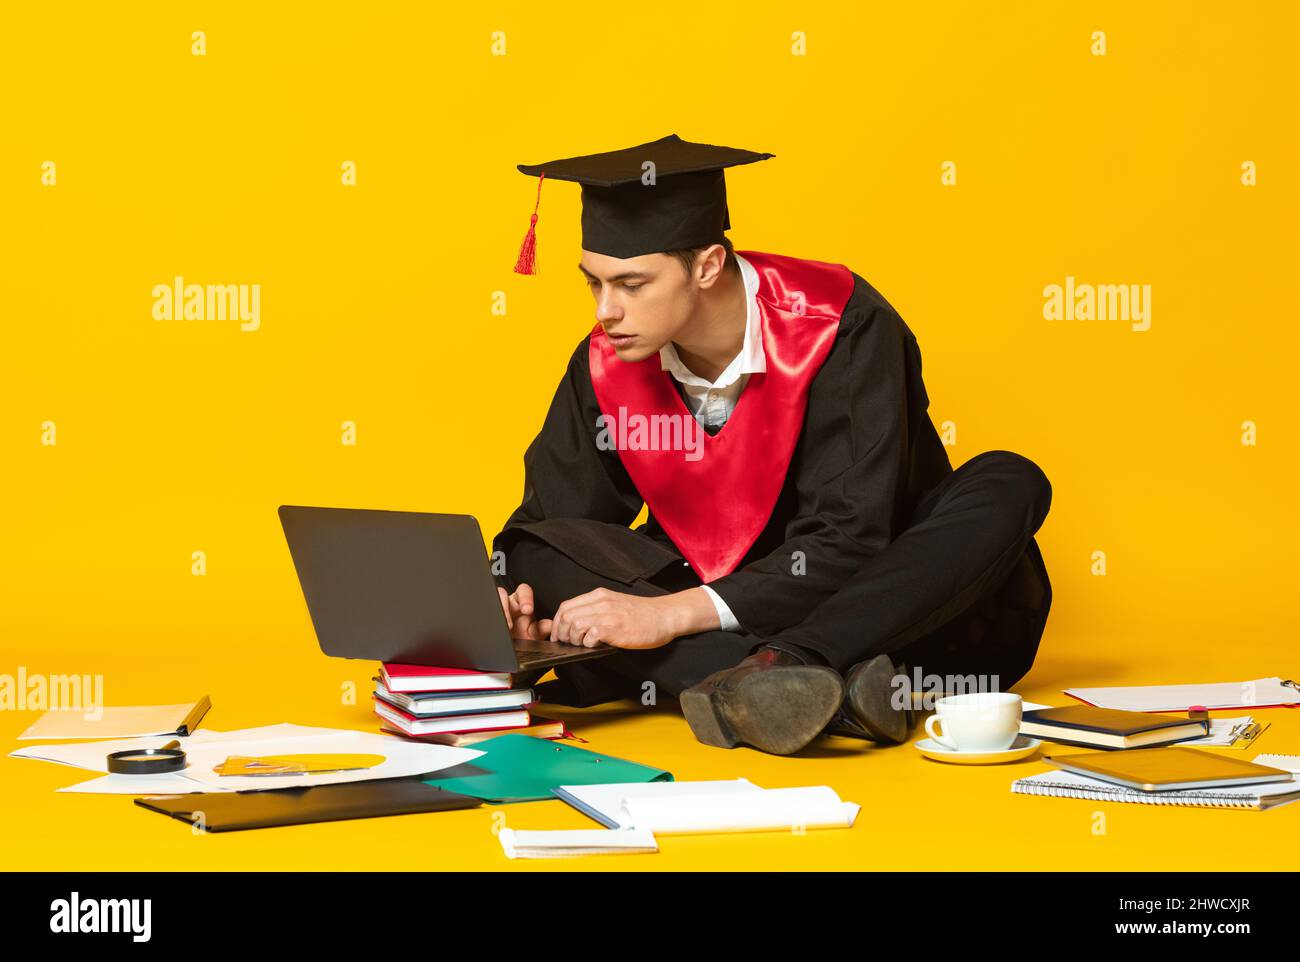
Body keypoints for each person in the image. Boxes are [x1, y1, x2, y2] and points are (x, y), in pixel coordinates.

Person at [493, 134, 1053, 756]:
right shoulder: (607, 361)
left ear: (705, 266)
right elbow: (557, 524)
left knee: (1010, 479)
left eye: (631, 284)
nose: (607, 311)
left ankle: (787, 663)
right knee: (530, 555)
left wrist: (669, 616)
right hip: (737, 599)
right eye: (593, 284)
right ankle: (788, 689)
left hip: (891, 607)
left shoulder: (841, 325)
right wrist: (510, 599)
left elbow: (850, 538)